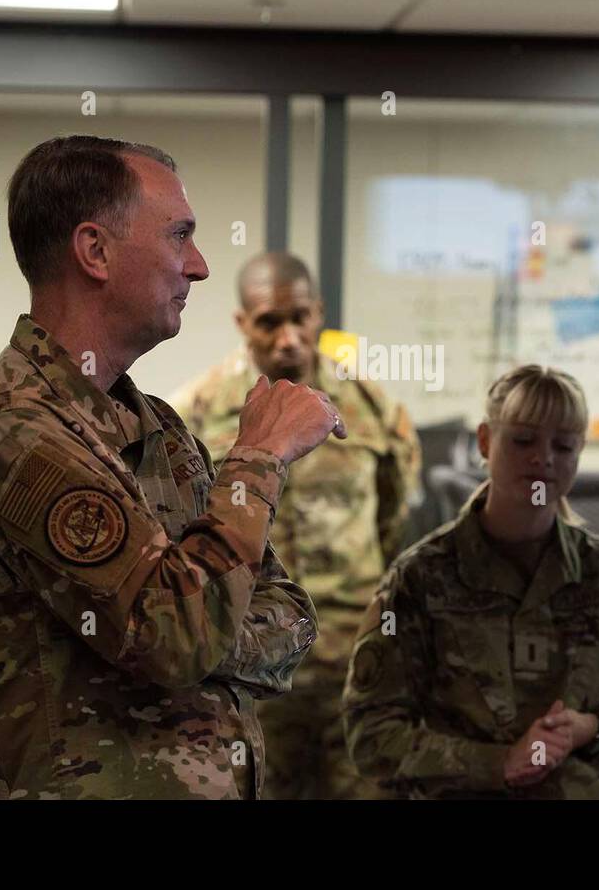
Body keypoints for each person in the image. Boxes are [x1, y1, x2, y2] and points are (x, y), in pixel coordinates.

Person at [0, 135, 341, 799]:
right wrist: (259, 457)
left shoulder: (153, 423)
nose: (199, 266)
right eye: (179, 236)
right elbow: (176, 635)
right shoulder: (13, 435)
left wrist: (202, 625)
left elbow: (288, 615)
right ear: (95, 251)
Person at [342, 365, 599, 798]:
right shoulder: (421, 580)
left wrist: (593, 731)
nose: (543, 458)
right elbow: (372, 736)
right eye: (523, 440)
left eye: (563, 445)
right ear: (485, 441)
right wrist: (497, 763)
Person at [172, 250, 420, 799]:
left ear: (319, 314)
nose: (287, 338)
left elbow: (391, 520)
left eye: (299, 317)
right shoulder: (195, 412)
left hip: (351, 664)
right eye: (268, 322)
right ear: (242, 323)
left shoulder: (373, 409)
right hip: (247, 669)